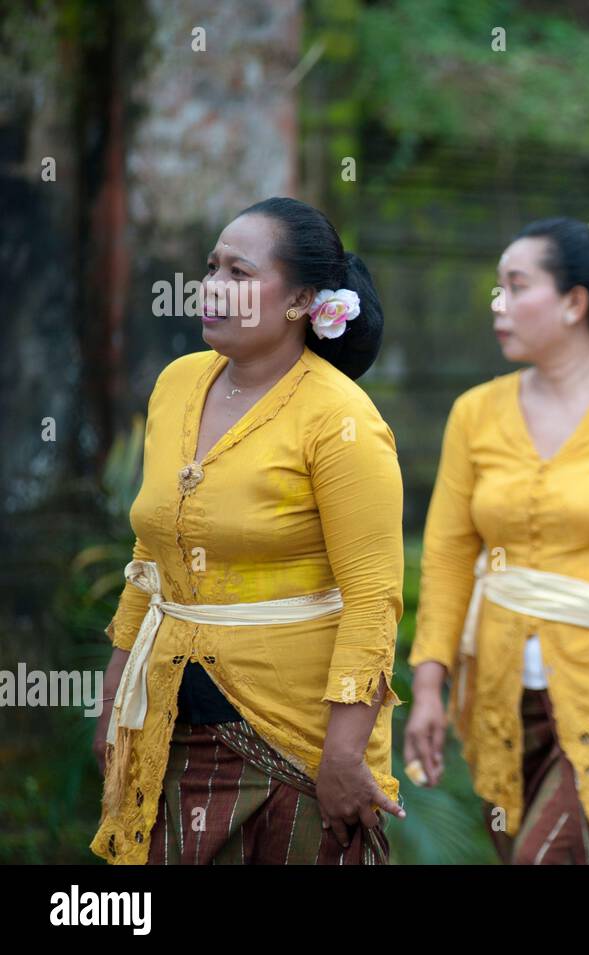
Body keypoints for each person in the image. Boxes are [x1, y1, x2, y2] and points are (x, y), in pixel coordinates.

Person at [91, 197, 405, 864]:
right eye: (210, 269)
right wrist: (116, 692)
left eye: (240, 273)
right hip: (167, 710)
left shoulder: (341, 419)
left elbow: (374, 594)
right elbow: (152, 553)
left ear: (300, 301)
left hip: (292, 733)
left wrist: (345, 753)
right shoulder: (177, 384)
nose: (212, 288)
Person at [406, 218, 589, 864]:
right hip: (501, 691)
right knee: (516, 847)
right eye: (496, 287)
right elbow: (450, 556)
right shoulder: (474, 412)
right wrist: (429, 684)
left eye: (515, 286)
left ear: (574, 302)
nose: (497, 304)